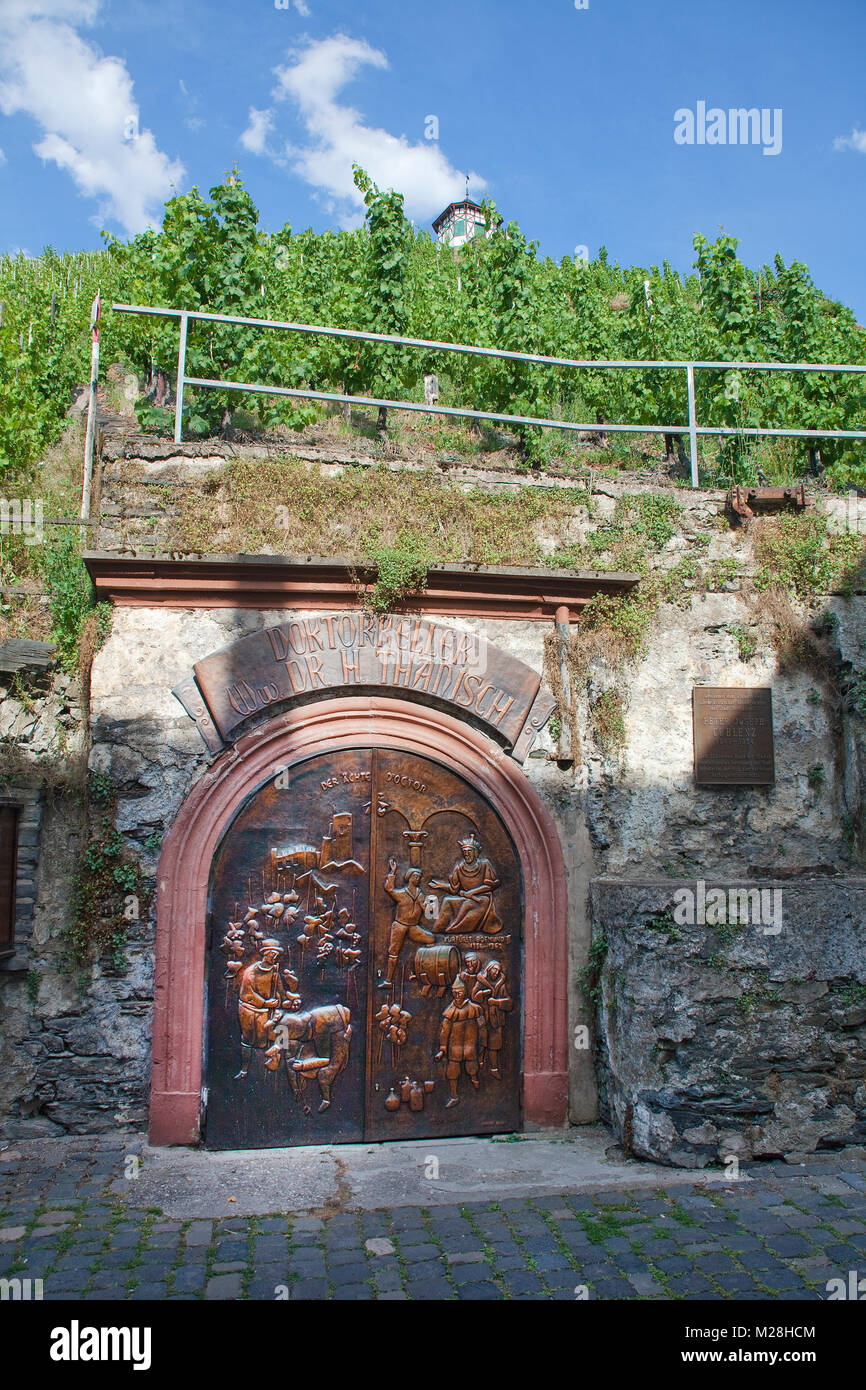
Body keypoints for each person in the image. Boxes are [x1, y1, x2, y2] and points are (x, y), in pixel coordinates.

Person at [430, 834, 502, 934]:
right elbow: (454, 890)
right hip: (466, 897)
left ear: (476, 853)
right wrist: (441, 886)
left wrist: (472, 892)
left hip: (482, 899)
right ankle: (437, 929)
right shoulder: (459, 868)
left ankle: (454, 927)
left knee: (467, 904)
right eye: (464, 852)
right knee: (447, 900)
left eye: (469, 851)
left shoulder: (485, 864)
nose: (466, 854)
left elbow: (490, 885)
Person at [380, 858, 434, 989]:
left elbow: (428, 912)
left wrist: (431, 905)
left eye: (419, 877)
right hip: (400, 925)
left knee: (431, 939)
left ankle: (421, 971)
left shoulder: (420, 894)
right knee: (393, 952)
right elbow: (389, 889)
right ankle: (388, 980)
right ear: (410, 878)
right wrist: (392, 872)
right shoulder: (403, 893)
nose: (418, 879)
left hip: (413, 927)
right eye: (415, 876)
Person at [235, 940, 285, 1078]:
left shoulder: (275, 973)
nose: (275, 958)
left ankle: (278, 1069)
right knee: (248, 1040)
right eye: (272, 954)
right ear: (266, 954)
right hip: (250, 1011)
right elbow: (248, 993)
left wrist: (280, 1001)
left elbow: (281, 992)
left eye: (276, 955)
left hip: (268, 1012)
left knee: (283, 1032)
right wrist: (265, 1003)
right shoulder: (251, 972)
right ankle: (245, 1070)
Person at [436, 978, 484, 1107]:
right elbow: (444, 1031)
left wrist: (483, 1044)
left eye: (459, 992)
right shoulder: (450, 1011)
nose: (457, 995)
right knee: (452, 1070)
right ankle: (454, 1095)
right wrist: (443, 1047)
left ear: (465, 992)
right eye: (454, 993)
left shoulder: (475, 1009)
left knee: (472, 1066)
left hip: (470, 1045)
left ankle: (475, 1082)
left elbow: (482, 1027)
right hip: (454, 1046)